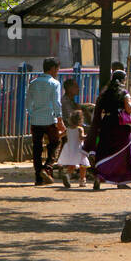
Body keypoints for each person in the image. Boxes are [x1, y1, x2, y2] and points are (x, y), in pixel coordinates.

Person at [84, 70, 131, 190]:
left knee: (105, 151)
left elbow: (98, 112)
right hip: (120, 126)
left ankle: (98, 176)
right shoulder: (124, 92)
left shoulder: (104, 93)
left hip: (107, 123)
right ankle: (121, 181)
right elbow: (129, 109)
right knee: (122, 153)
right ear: (123, 80)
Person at [25, 57, 64, 186]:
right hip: (49, 119)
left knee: (37, 147)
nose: (57, 71)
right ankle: (47, 168)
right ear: (52, 69)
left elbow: (28, 102)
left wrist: (32, 113)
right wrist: (59, 118)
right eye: (57, 69)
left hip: (36, 120)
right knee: (55, 143)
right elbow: (56, 102)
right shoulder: (55, 83)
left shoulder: (33, 83)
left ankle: (38, 177)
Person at [56, 109, 91, 188]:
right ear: (80, 120)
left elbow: (60, 136)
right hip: (78, 149)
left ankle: (67, 175)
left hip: (70, 148)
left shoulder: (68, 129)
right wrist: (88, 136)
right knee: (83, 165)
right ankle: (82, 180)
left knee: (72, 165)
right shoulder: (79, 129)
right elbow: (81, 138)